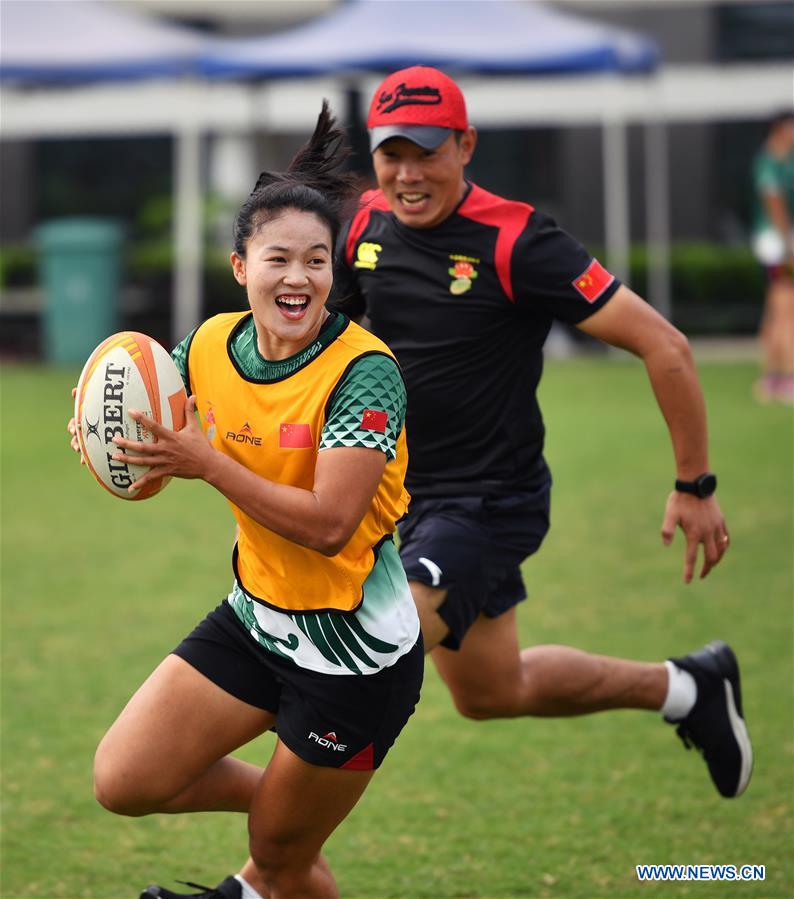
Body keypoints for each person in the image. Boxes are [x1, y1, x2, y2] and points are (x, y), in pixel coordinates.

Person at [151, 67, 753, 899]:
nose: (406, 173)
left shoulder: (519, 241)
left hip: (483, 505)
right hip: (391, 499)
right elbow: (323, 341)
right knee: (493, 691)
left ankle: (260, 877)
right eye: (392, 153)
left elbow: (667, 345)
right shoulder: (358, 230)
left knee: (376, 650)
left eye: (427, 153)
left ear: (465, 147)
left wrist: (695, 480)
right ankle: (688, 685)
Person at [68, 103, 423, 899]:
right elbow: (154, 428)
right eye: (278, 259)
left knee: (282, 860)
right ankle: (283, 796)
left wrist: (209, 463)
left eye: (317, 261)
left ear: (335, 271)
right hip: (260, 618)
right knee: (124, 778)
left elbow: (333, 526)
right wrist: (101, 429)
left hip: (354, 658)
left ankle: (280, 824)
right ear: (241, 267)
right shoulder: (209, 348)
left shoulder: (365, 374)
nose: (298, 277)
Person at [751, 109, 794, 404]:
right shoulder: (769, 161)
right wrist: (788, 241)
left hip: (779, 242)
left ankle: (771, 377)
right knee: (785, 309)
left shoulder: (782, 160)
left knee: (776, 310)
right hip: (776, 244)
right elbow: (773, 201)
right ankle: (785, 376)